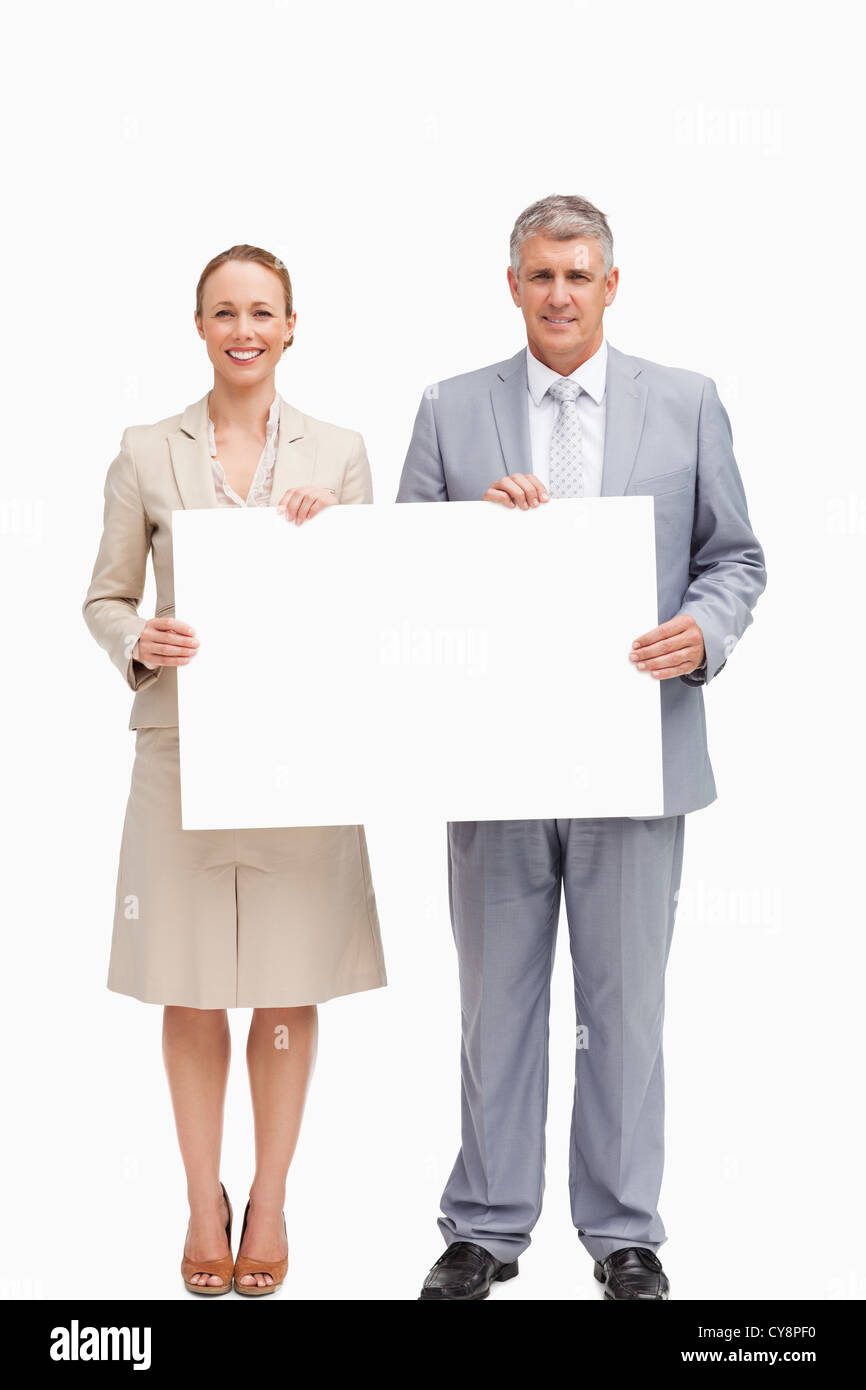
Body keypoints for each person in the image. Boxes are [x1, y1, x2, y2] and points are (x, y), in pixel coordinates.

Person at [397, 194, 766, 1301]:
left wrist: (703, 629)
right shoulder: (450, 408)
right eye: (540, 275)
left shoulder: (686, 403)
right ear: (510, 285)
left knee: (622, 1007)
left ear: (611, 284)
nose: (559, 293)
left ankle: (621, 1235)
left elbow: (733, 556)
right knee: (492, 1001)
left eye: (579, 274)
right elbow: (400, 569)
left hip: (635, 752)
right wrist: (470, 533)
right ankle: (484, 1226)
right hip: (494, 755)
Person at [83, 244, 387, 1297]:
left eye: (263, 311)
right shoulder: (142, 449)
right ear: (200, 325)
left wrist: (337, 534)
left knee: (289, 984)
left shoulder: (340, 451)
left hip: (306, 747)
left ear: (293, 325)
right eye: (225, 311)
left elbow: (375, 604)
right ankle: (199, 1193)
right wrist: (142, 638)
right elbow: (104, 596)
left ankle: (267, 1196)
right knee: (191, 980)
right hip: (183, 746)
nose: (244, 328)